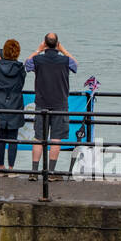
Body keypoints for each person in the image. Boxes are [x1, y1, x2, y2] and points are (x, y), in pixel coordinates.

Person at [27, 33, 78, 180]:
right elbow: (76, 65)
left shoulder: (38, 59)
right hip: (60, 104)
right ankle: (51, 173)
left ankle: (34, 172)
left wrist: (38, 50)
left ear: (44, 44)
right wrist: (64, 51)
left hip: (41, 103)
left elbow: (27, 64)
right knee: (56, 138)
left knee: (38, 137)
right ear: (57, 44)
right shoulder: (65, 60)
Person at [0, 41, 27, 171]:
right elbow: (21, 82)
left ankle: (0, 167)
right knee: (13, 138)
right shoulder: (20, 68)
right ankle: (11, 168)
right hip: (15, 104)